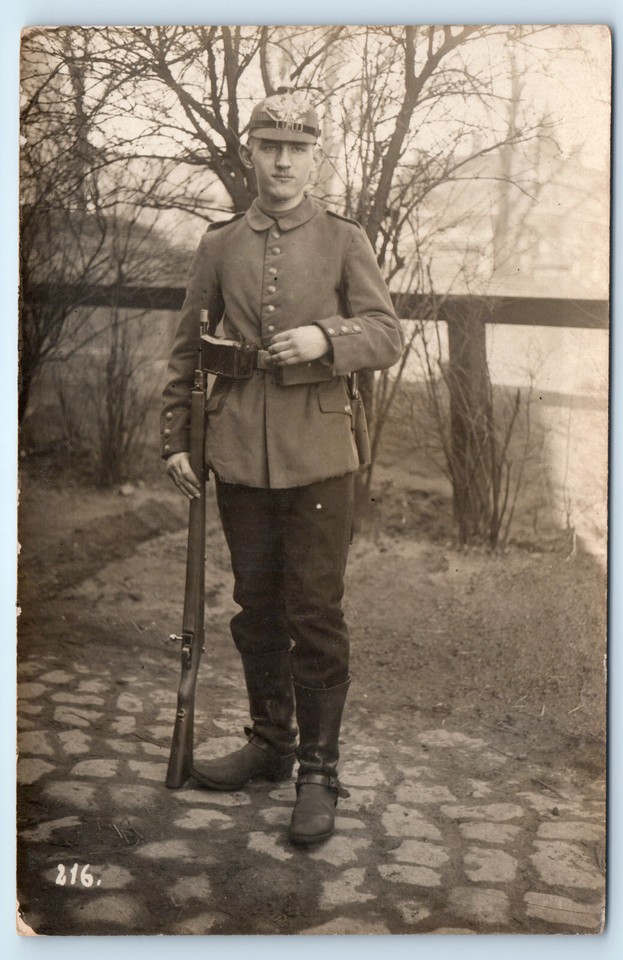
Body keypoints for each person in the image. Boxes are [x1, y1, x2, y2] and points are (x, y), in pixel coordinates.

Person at [161, 90, 404, 845]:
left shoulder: (342, 239)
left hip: (321, 456)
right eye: (270, 147)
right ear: (252, 154)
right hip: (238, 451)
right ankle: (270, 744)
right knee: (254, 607)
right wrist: (177, 440)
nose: (283, 162)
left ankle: (318, 774)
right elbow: (186, 346)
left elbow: (387, 333)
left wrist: (326, 339)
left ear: (316, 158)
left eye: (297, 150)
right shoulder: (220, 243)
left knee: (315, 614)